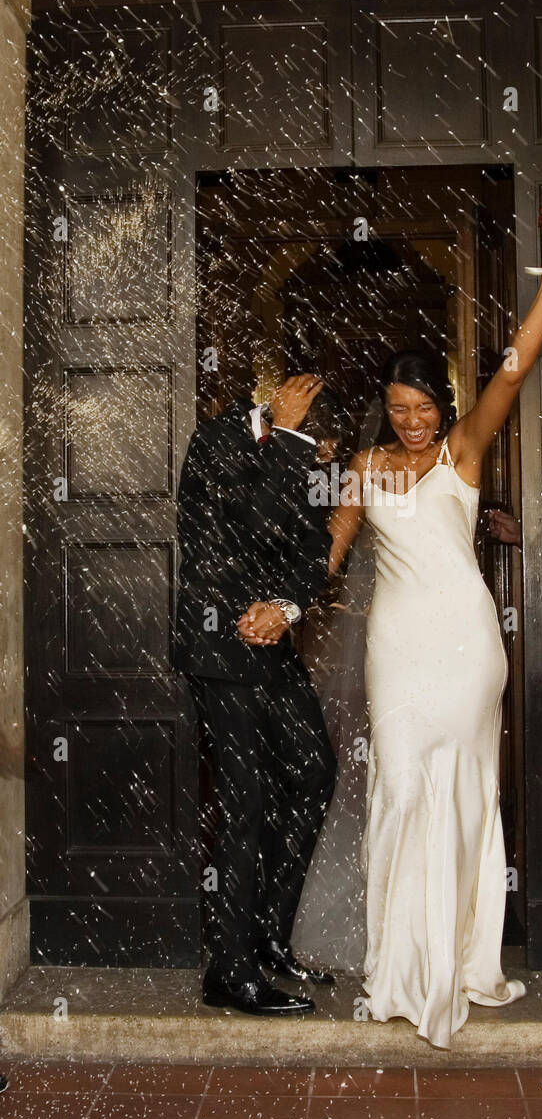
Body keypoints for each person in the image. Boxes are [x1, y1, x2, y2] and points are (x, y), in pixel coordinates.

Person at [327, 231, 542, 1048]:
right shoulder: (362, 469)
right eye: (399, 410)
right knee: (403, 788)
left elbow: (516, 365)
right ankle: (402, 967)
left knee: (464, 793)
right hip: (396, 648)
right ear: (385, 409)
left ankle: (459, 961)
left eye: (424, 409)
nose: (413, 423)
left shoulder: (463, 451)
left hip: (467, 650)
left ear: (443, 405)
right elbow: (326, 559)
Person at [174, 375, 345, 1016]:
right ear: (279, 406)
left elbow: (312, 554)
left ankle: (269, 934)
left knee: (313, 773)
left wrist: (286, 605)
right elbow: (222, 535)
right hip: (220, 642)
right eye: (314, 442)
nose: (319, 459)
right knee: (243, 800)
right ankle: (230, 970)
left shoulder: (303, 459)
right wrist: (289, 443)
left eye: (323, 449)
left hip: (272, 645)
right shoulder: (217, 438)